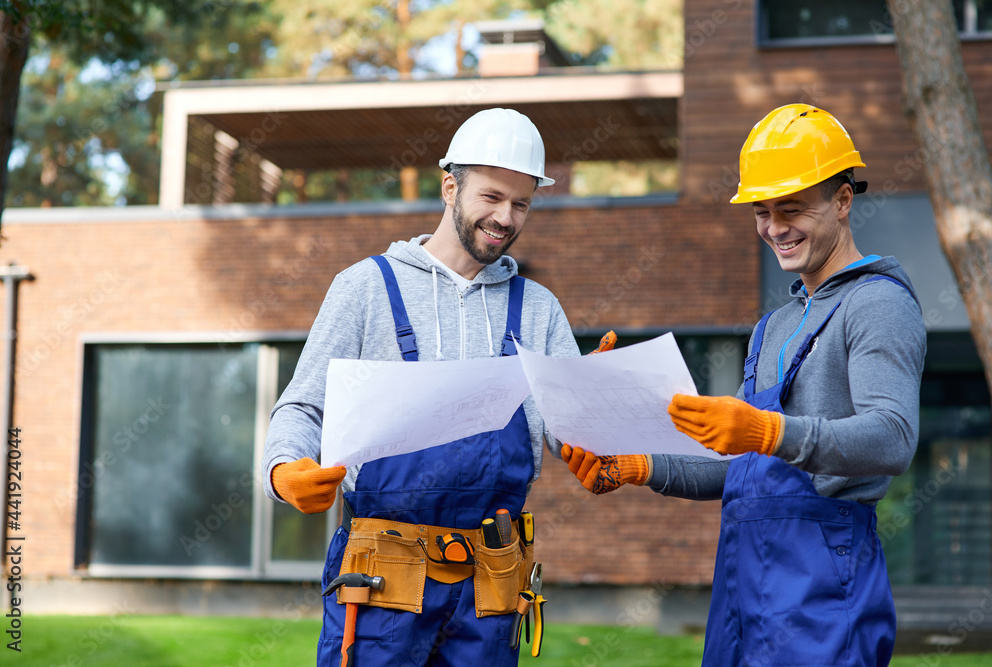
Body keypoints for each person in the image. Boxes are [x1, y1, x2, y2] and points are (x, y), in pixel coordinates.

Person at [558, 103, 926, 666]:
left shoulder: (877, 302)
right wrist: (642, 467)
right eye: (762, 210)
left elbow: (892, 437)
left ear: (844, 200)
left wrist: (768, 430)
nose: (775, 228)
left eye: (793, 209)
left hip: (824, 588)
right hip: (742, 584)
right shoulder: (773, 325)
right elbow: (750, 467)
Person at [262, 107, 579, 667]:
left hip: (490, 587)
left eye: (522, 203)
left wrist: (598, 412)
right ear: (450, 186)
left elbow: (572, 435)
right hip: (384, 584)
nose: (506, 217)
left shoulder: (538, 308)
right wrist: (285, 469)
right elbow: (304, 405)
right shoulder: (364, 288)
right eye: (491, 197)